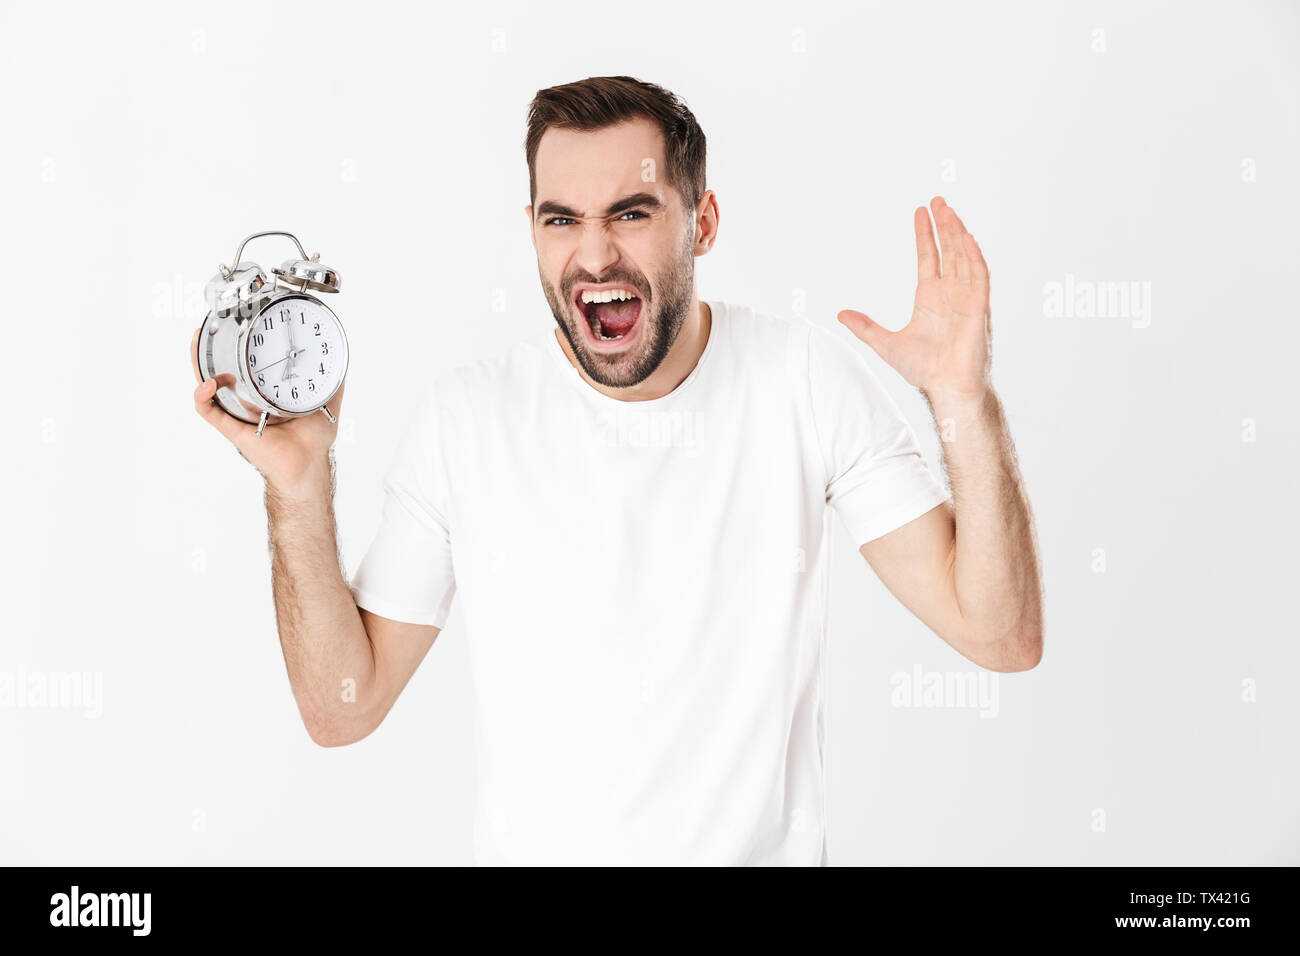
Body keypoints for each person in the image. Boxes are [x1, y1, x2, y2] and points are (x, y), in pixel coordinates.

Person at [191, 75, 1043, 865]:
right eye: (562, 219)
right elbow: (344, 709)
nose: (595, 256)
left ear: (701, 222)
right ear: (531, 226)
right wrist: (298, 492)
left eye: (631, 213)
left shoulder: (805, 381)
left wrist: (964, 401)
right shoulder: (468, 419)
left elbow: (1000, 637)